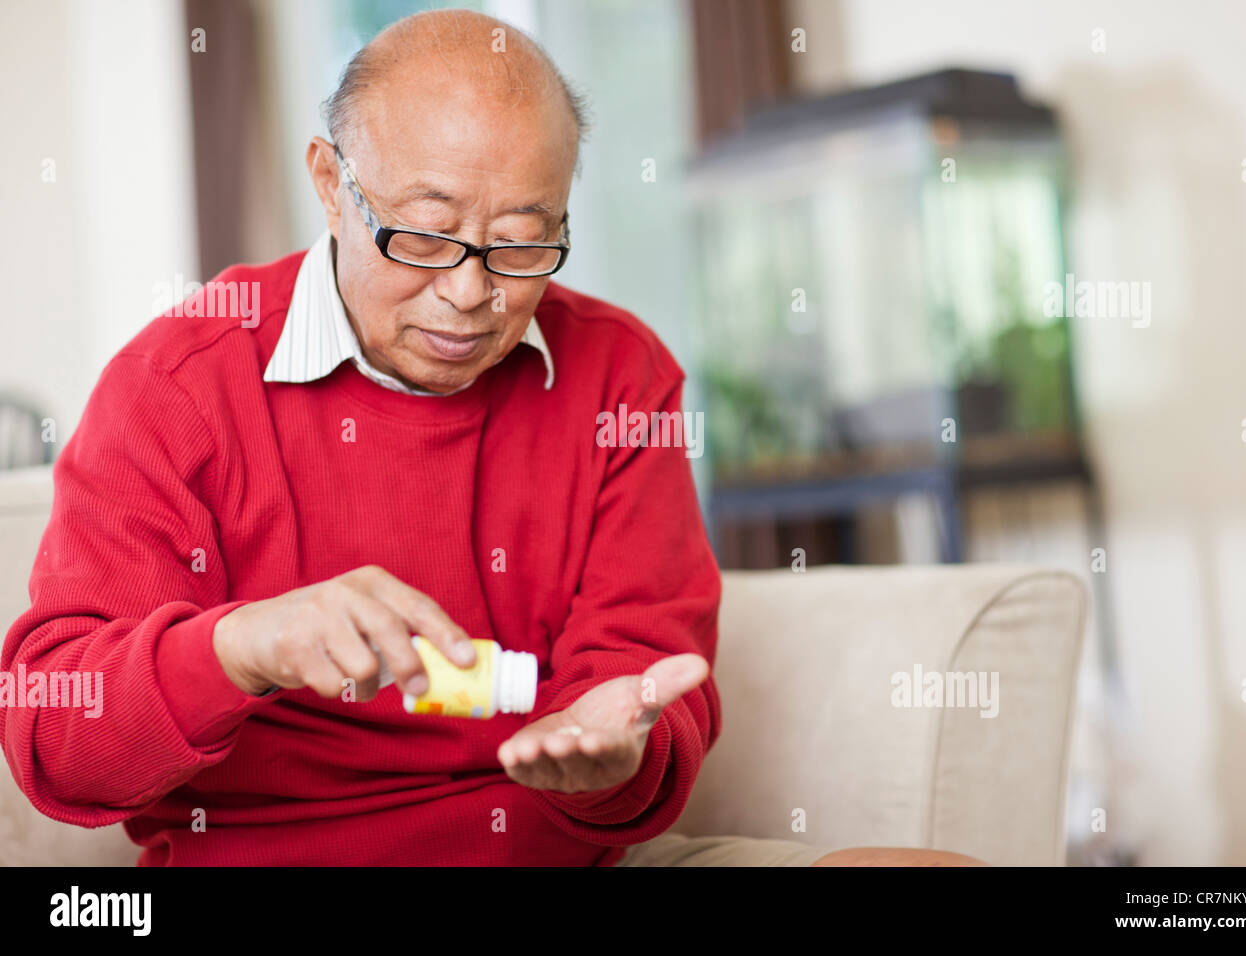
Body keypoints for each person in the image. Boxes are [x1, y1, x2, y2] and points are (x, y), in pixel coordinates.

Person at [0, 8, 982, 867]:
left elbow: (640, 682)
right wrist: (240, 645)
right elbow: (54, 732)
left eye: (522, 240)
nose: (473, 292)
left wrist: (611, 757)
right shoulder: (180, 383)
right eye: (423, 235)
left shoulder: (621, 378)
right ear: (332, 186)